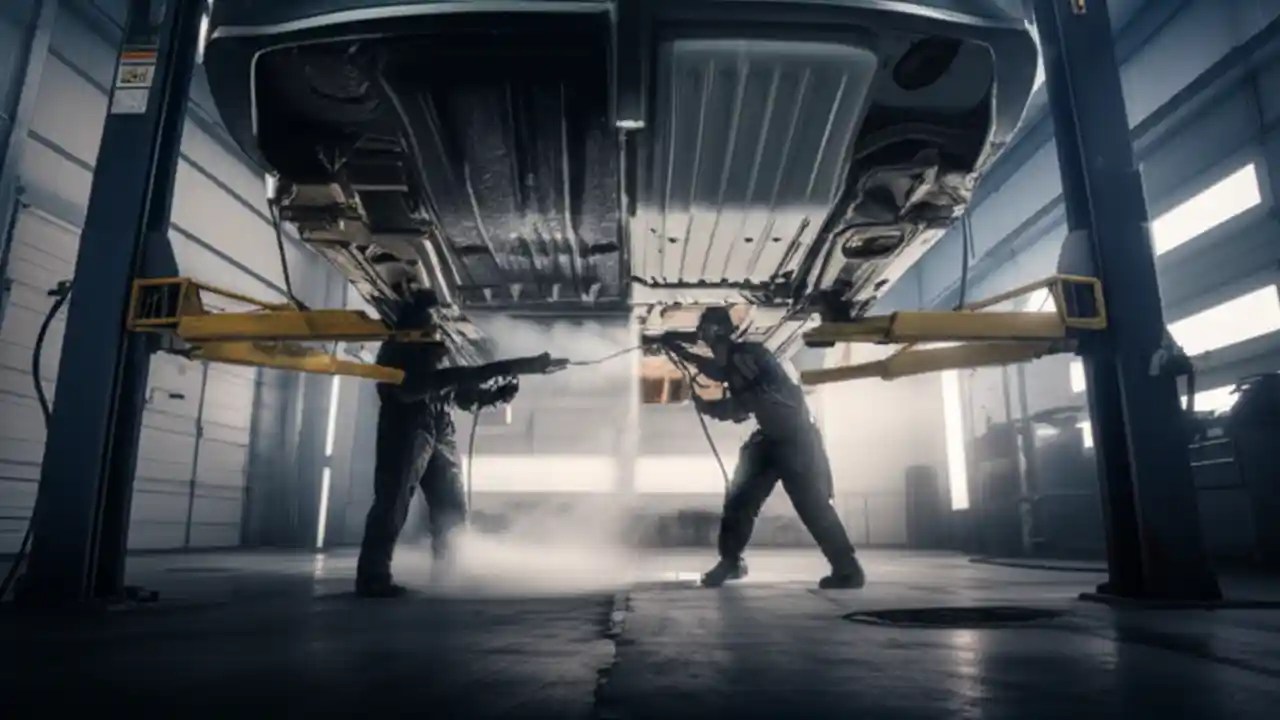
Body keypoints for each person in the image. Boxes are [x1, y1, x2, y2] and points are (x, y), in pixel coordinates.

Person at [356, 288, 560, 598]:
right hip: (406, 426)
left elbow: (460, 395)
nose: (438, 327)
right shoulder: (397, 349)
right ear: (414, 319)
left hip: (439, 425)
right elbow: (416, 388)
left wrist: (493, 397)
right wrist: (515, 366)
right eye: (433, 319)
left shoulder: (435, 347)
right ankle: (373, 577)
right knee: (392, 501)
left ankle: (449, 572)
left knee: (451, 505)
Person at [662, 307, 866, 590]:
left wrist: (709, 406)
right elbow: (720, 371)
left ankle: (847, 569)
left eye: (706, 330)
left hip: (796, 441)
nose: (703, 336)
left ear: (718, 332)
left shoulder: (749, 355)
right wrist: (682, 353)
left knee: (813, 506)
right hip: (771, 439)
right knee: (739, 499)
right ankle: (730, 561)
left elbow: (745, 402)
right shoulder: (738, 360)